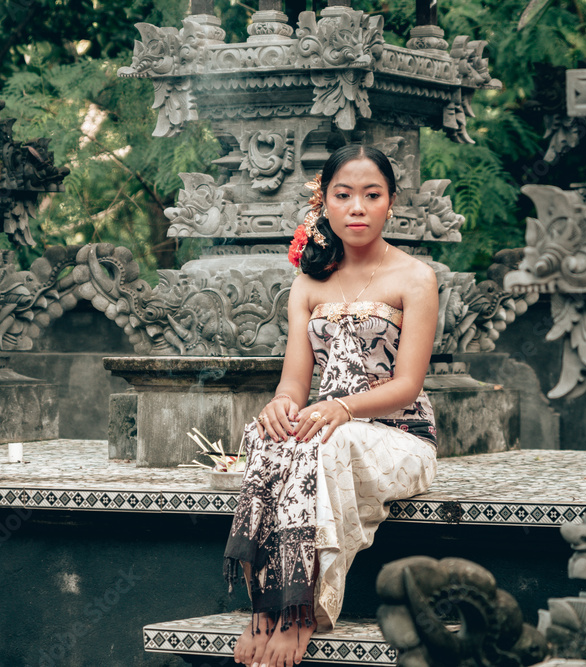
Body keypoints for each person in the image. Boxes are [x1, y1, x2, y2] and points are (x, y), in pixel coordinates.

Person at [225, 144, 439, 667]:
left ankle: (302, 612)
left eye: (372, 195)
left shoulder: (416, 278)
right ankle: (265, 605)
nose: (358, 208)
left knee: (327, 439)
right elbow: (295, 383)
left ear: (391, 203)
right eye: (344, 196)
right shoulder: (308, 282)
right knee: (264, 435)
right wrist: (279, 406)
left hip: (398, 435)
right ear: (326, 203)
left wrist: (343, 408)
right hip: (328, 428)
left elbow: (408, 384)